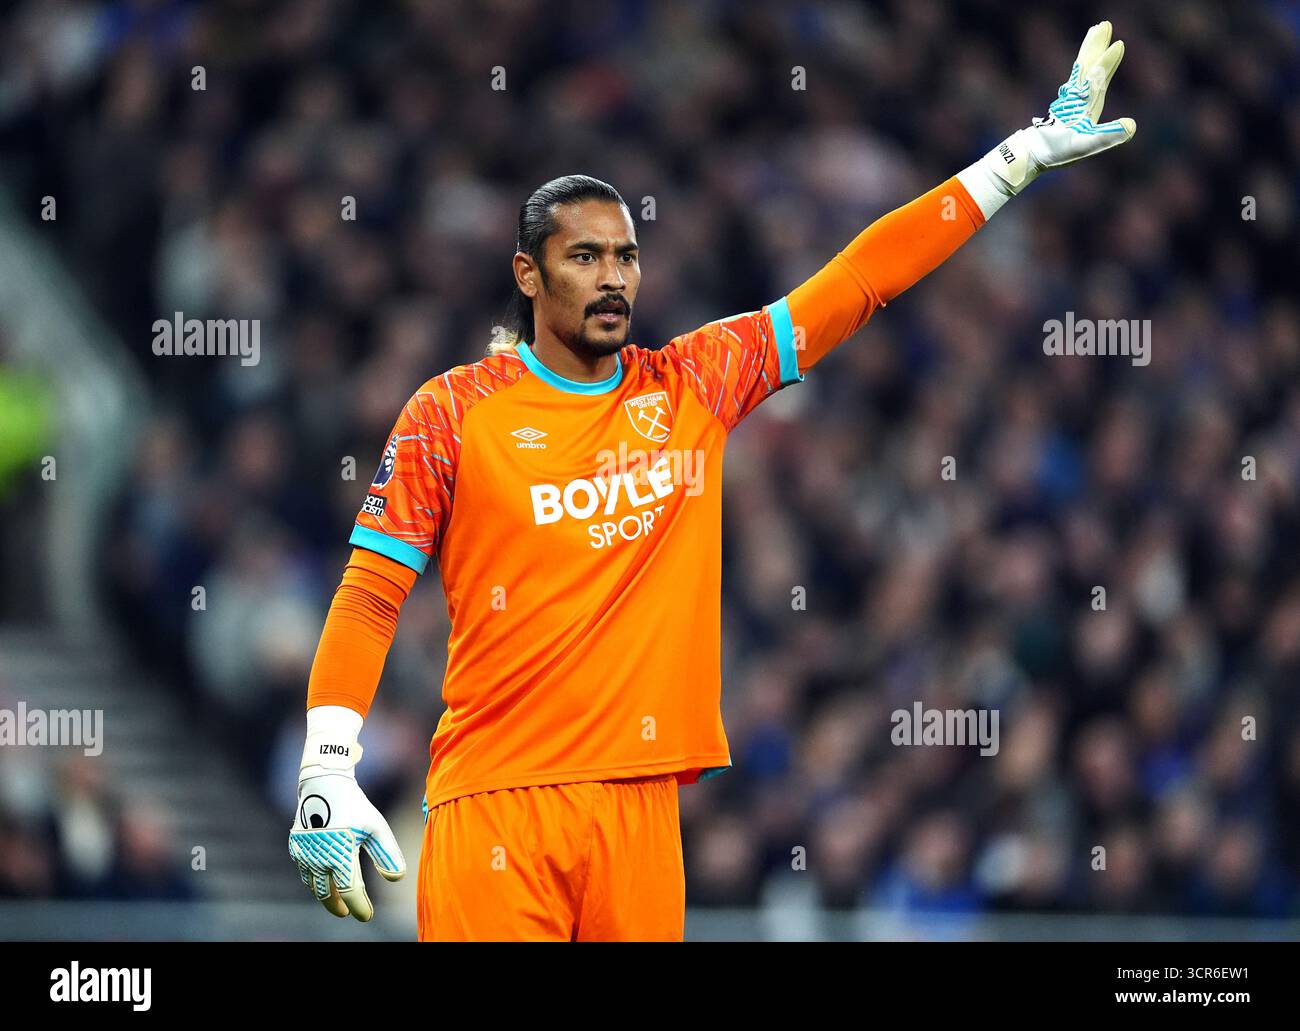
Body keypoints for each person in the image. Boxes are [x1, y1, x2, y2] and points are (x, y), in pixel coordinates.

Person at [288, 22, 1136, 941]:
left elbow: (856, 282)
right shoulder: (451, 412)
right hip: (497, 804)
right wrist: (328, 765)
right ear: (528, 274)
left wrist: (1018, 157)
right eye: (585, 258)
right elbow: (372, 594)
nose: (614, 278)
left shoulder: (692, 382)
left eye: (627, 257)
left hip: (643, 815)